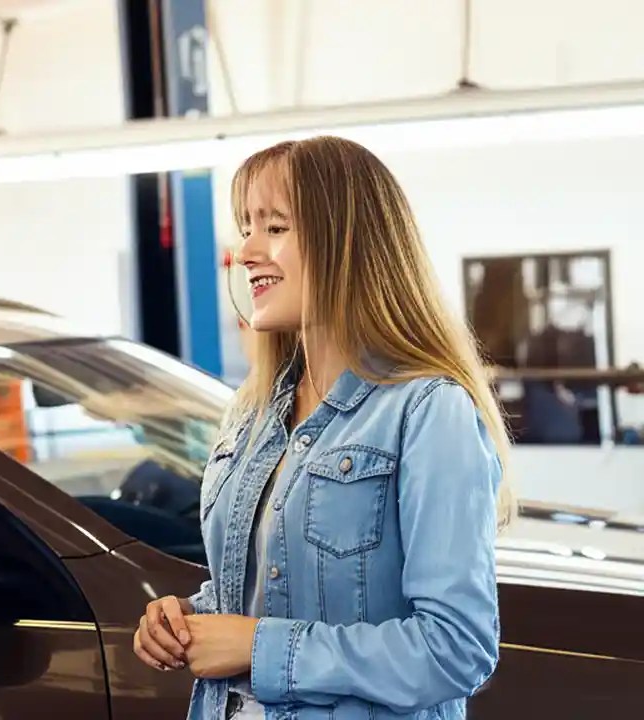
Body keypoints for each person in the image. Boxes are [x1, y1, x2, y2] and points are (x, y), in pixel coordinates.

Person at [133, 137, 513, 719]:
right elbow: (277, 586)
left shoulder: (428, 411)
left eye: (275, 228)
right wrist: (188, 616)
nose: (247, 251)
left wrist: (255, 645)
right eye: (246, 227)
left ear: (347, 244)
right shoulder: (253, 413)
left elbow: (455, 648)